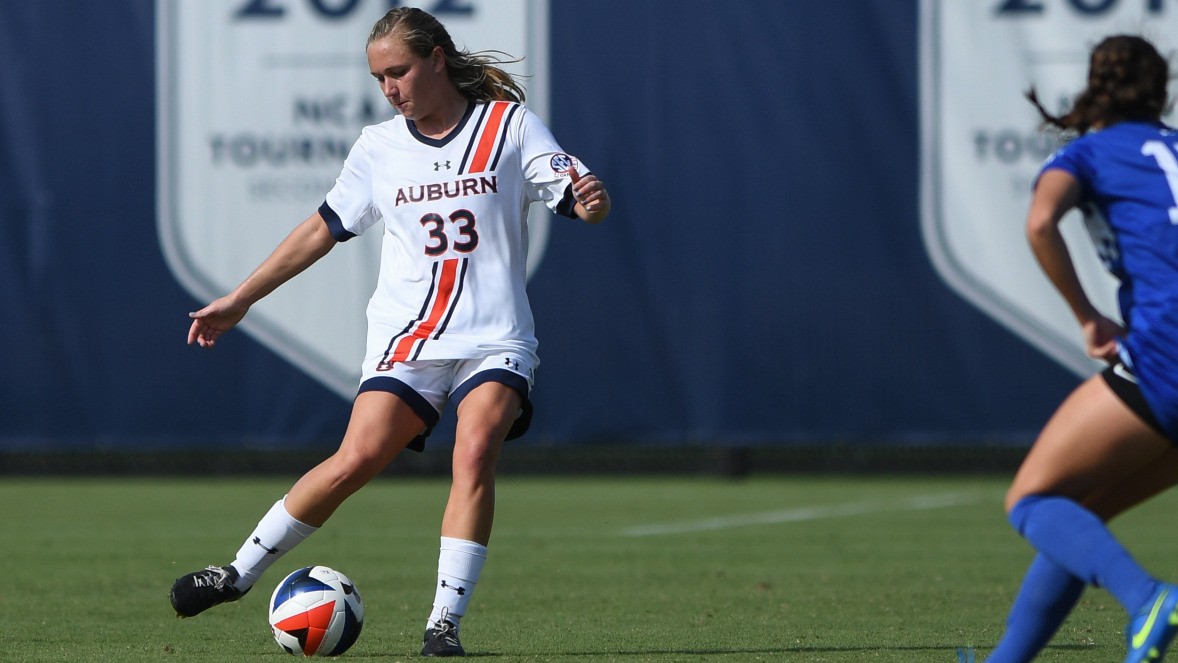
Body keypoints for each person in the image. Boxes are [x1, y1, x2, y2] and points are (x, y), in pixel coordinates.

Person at [168, 6, 610, 657]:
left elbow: (570, 190)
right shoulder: (380, 147)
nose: (391, 89)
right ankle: (238, 573)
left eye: (399, 71)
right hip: (409, 339)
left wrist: (586, 200)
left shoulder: (506, 125)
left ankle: (443, 625)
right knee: (355, 460)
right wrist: (240, 299)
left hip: (495, 337)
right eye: (379, 78)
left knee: (476, 443)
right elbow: (321, 228)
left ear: (436, 56)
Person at [985, 35, 1178, 663]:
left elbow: (1041, 222)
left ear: (1097, 91)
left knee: (1031, 500)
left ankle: (1148, 598)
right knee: (1080, 514)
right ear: (1162, 92)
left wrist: (1087, 317)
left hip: (1169, 355)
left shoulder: (1091, 153)